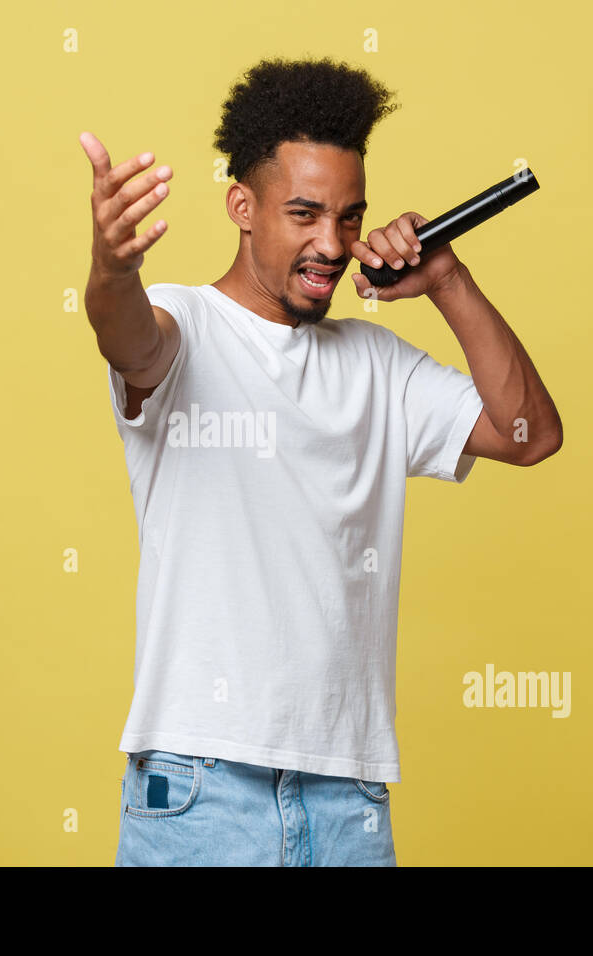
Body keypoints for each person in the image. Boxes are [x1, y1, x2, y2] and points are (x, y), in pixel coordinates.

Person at [80, 56, 562, 866]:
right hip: (203, 790)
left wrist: (447, 279)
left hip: (348, 800)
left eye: (349, 218)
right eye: (304, 214)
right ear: (242, 205)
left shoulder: (376, 364)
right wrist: (110, 267)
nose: (331, 245)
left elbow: (529, 435)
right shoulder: (184, 326)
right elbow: (127, 334)